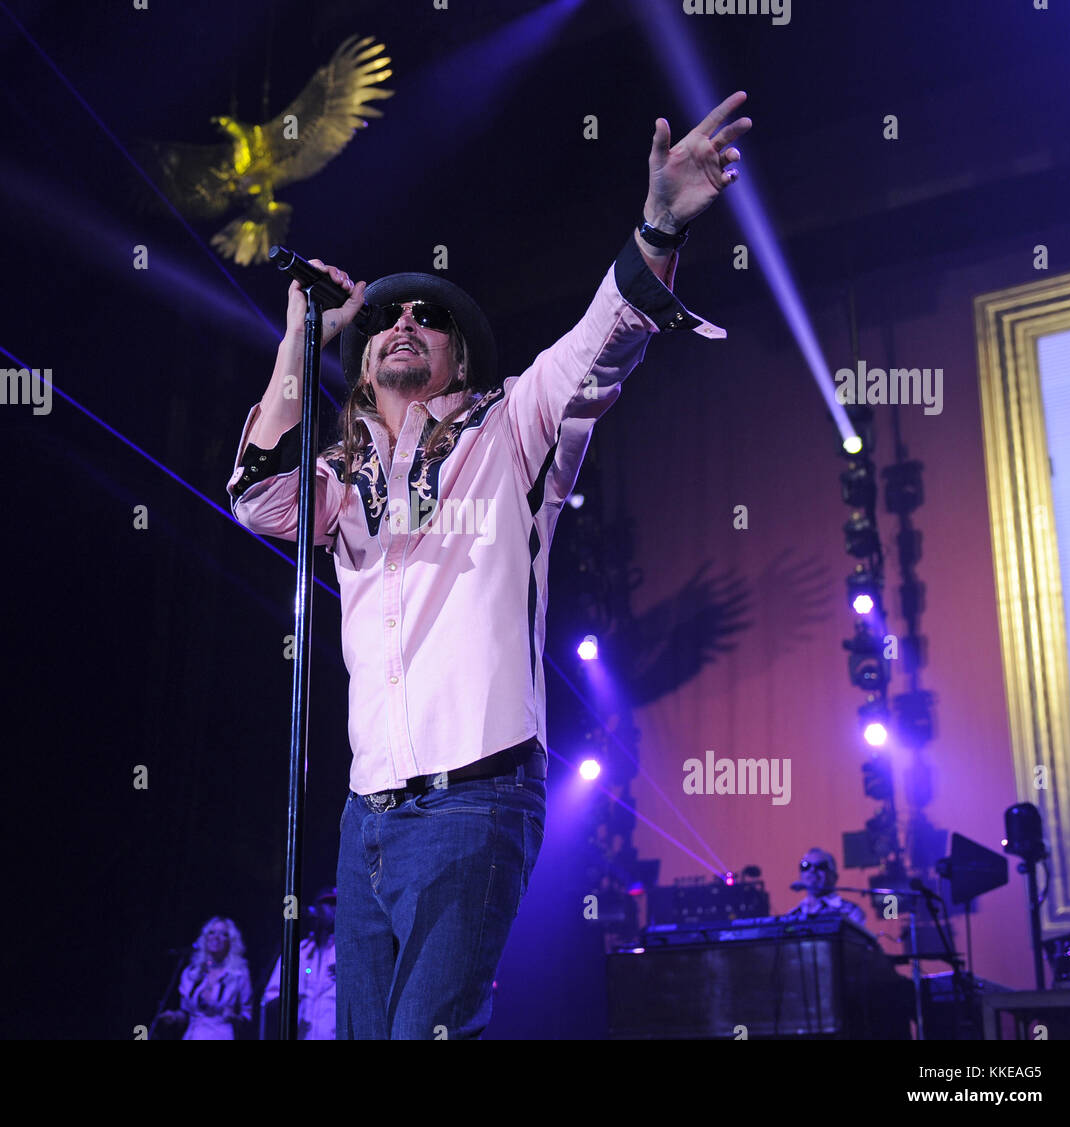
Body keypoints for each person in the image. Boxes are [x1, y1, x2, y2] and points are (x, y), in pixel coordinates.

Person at [228, 93, 751, 1039]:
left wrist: (661, 222)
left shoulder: (514, 426)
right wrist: (301, 341)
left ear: (460, 356)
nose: (404, 322)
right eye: (387, 315)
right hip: (364, 818)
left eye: (430, 317)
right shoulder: (342, 483)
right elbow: (257, 497)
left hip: (477, 798)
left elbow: (607, 335)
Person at [157, 916, 253, 1039]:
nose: (216, 937)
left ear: (231, 941)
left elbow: (247, 1015)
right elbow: (186, 1013)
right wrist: (174, 1016)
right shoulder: (192, 973)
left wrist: (233, 1017)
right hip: (194, 1035)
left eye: (223, 934)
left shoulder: (239, 974)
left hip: (222, 1035)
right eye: (211, 933)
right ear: (205, 938)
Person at [261, 886, 337, 1040]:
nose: (331, 910)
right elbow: (272, 996)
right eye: (326, 904)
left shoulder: (348, 953)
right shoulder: (299, 951)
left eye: (334, 904)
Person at [781, 847, 868, 928]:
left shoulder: (850, 912)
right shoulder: (792, 916)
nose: (812, 870)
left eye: (821, 866)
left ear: (834, 877)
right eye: (806, 866)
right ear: (800, 876)